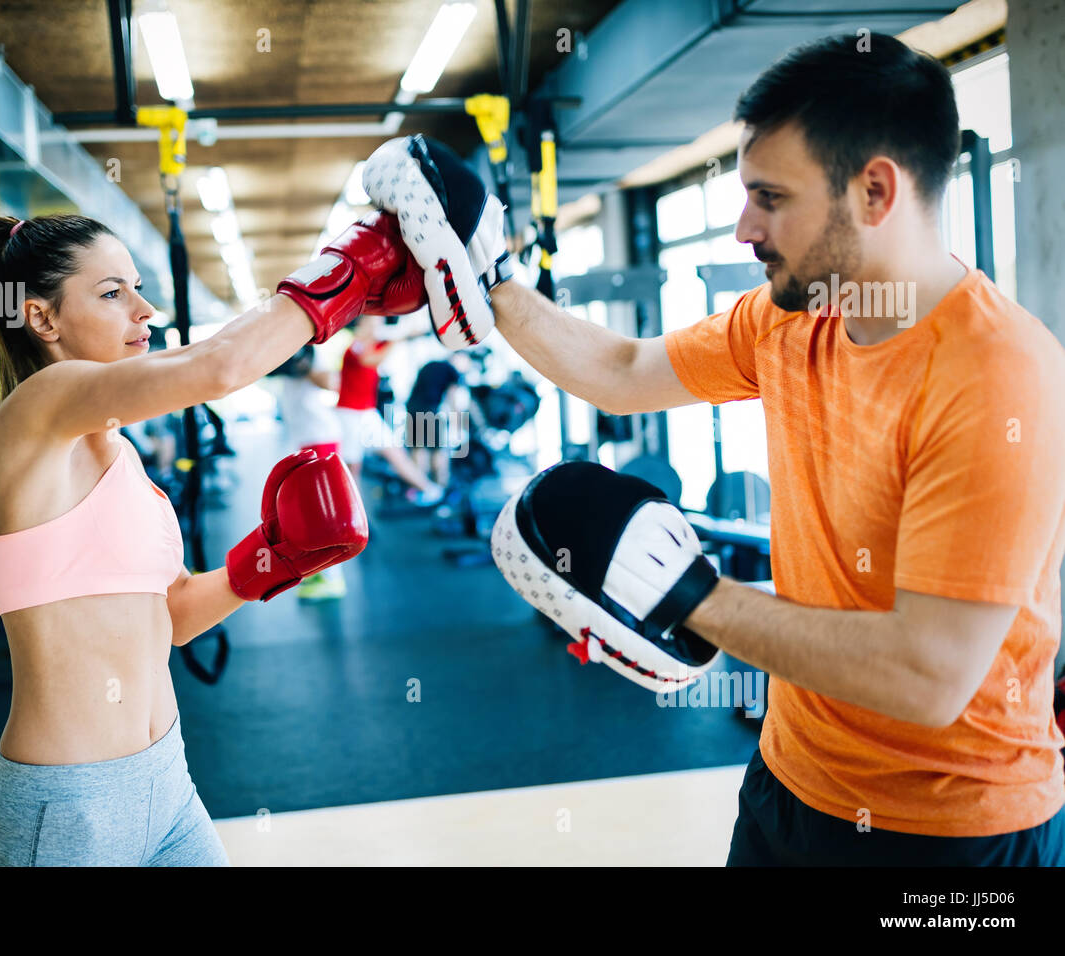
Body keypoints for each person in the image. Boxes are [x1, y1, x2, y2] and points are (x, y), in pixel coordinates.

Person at [377, 34, 1065, 865]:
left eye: (770, 199)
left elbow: (927, 676)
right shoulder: (790, 316)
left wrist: (685, 595)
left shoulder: (996, 377)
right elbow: (624, 371)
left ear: (876, 190)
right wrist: (488, 278)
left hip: (950, 834)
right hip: (789, 777)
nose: (745, 228)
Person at [0, 209, 425, 865]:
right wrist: (345, 270)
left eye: (137, 286)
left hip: (167, 786)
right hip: (63, 810)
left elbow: (172, 615)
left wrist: (269, 559)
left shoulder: (120, 451)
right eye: (112, 293)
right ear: (42, 319)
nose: (144, 309)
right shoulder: (38, 409)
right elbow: (215, 367)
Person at [336, 313, 443, 505]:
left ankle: (432, 493)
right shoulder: (357, 345)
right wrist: (398, 339)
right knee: (353, 467)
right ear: (362, 323)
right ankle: (356, 513)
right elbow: (369, 360)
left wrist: (415, 332)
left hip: (368, 413)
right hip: (349, 414)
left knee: (396, 453)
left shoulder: (377, 344)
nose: (377, 326)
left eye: (380, 322)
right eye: (373, 321)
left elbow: (409, 336)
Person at [269, 344, 349, 601]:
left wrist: (304, 365)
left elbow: (331, 382)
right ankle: (320, 570)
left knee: (324, 512)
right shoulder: (292, 343)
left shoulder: (316, 348)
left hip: (320, 437)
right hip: (306, 438)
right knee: (312, 511)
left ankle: (333, 578)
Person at [405, 351, 472, 489]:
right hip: (430, 410)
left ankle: (420, 487)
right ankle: (439, 487)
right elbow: (452, 398)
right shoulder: (452, 371)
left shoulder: (431, 364)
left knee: (418, 448)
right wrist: (458, 421)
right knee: (437, 450)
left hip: (412, 407)